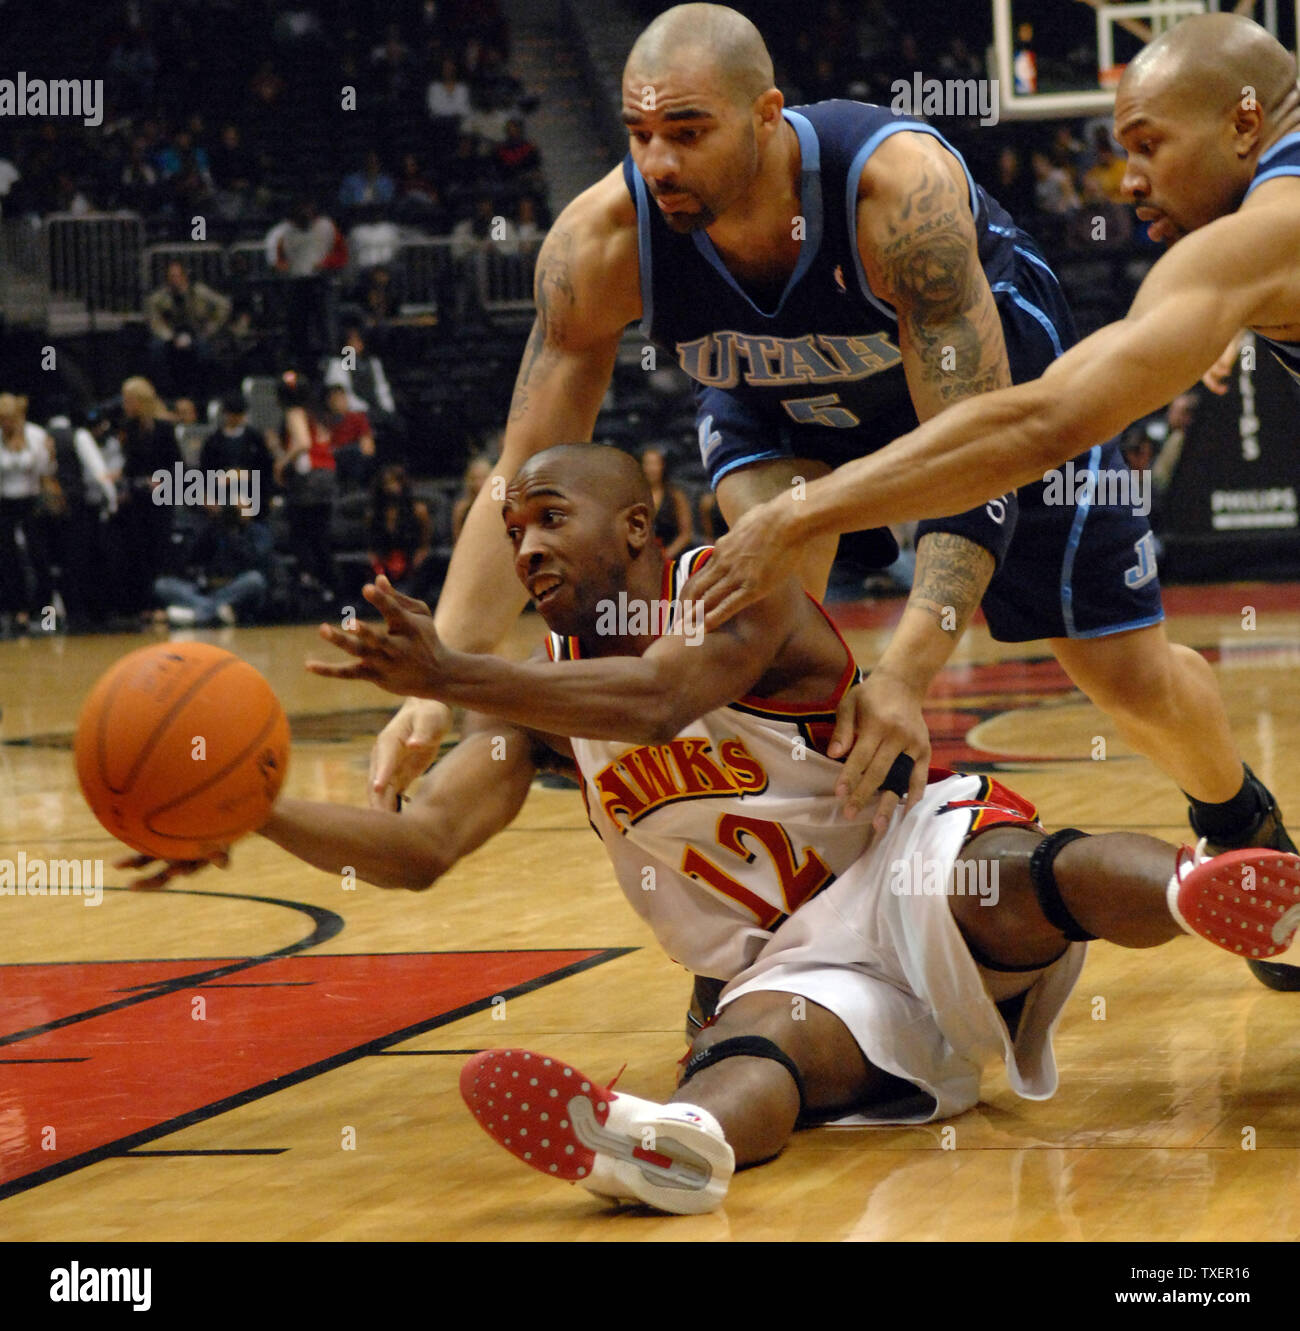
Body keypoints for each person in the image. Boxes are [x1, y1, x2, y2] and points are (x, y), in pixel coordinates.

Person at [364, 5, 1294, 992]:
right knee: (749, 637)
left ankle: (1231, 811)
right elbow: (523, 473)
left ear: (767, 117)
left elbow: (991, 454)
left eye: (687, 133)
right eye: (640, 137)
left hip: (989, 398)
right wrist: (438, 680)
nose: (659, 164)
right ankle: (765, 932)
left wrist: (901, 676)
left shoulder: (898, 194)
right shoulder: (601, 239)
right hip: (784, 415)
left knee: (1123, 679)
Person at [129, 445, 1300, 1215]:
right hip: (795, 964)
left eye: (551, 517)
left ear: (640, 522)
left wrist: (454, 671)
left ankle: (1230, 888)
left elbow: (658, 698)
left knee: (1008, 876)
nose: (526, 546)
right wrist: (257, 808)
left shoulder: (739, 589)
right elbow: (422, 847)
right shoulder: (538, 697)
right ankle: (670, 1144)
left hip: (903, 864)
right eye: (513, 530)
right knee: (763, 1054)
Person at [682, 9, 1300, 985]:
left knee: (1119, 660)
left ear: (1242, 123)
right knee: (1123, 678)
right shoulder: (1255, 239)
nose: (1124, 179)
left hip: (1036, 396)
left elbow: (1032, 426)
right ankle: (1245, 838)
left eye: (1147, 145)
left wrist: (805, 510)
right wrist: (1233, 304)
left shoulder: (1260, 236)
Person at [272, 372, 337, 609]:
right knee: (320, 535)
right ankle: (331, 589)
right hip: (326, 476)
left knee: (301, 534)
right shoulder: (316, 414)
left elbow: (303, 443)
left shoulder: (294, 412)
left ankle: (310, 585)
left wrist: (281, 462)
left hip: (308, 479)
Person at [0, 393, 54, 635]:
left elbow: (46, 469)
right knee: (8, 557)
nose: (6, 424)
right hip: (4, 502)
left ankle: (44, 610)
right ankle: (16, 610)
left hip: (31, 501)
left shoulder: (36, 434)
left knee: (39, 554)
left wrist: (46, 453)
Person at [145, 260, 231, 398]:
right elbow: (155, 322)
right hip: (170, 336)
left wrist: (211, 327)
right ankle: (164, 393)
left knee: (206, 351)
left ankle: (204, 393)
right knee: (155, 349)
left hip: (198, 333)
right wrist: (170, 337)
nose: (175, 280)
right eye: (171, 277)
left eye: (177, 276)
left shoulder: (199, 292)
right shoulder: (158, 298)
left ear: (184, 276)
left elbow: (224, 305)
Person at [365, 464, 439, 602]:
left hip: (411, 558)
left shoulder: (418, 510)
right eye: (386, 483)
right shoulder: (373, 514)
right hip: (385, 558)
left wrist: (420, 554)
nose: (391, 487)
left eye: (395, 482)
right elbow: (372, 543)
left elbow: (425, 541)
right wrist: (376, 561)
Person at [640, 444, 694, 560]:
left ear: (662, 466)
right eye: (648, 464)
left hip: (671, 556)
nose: (651, 469)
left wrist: (665, 555)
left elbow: (686, 534)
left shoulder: (676, 496)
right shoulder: (634, 496)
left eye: (655, 464)